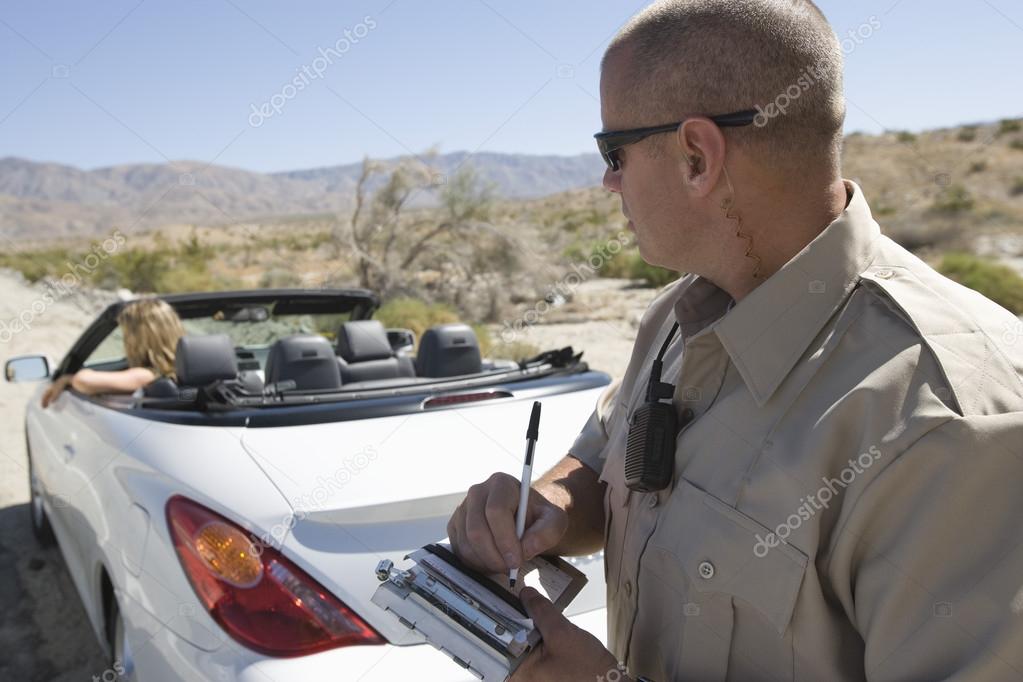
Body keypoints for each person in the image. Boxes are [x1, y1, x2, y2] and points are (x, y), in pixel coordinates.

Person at [447, 1, 1023, 680]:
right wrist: (545, 509)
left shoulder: (946, 418)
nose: (606, 181)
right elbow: (607, 464)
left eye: (614, 152)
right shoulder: (673, 318)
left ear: (696, 156)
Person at [41, 298, 185, 408]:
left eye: (127, 334)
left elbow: (83, 381)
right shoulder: (185, 371)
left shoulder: (147, 375)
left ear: (137, 339)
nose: (125, 340)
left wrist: (67, 379)